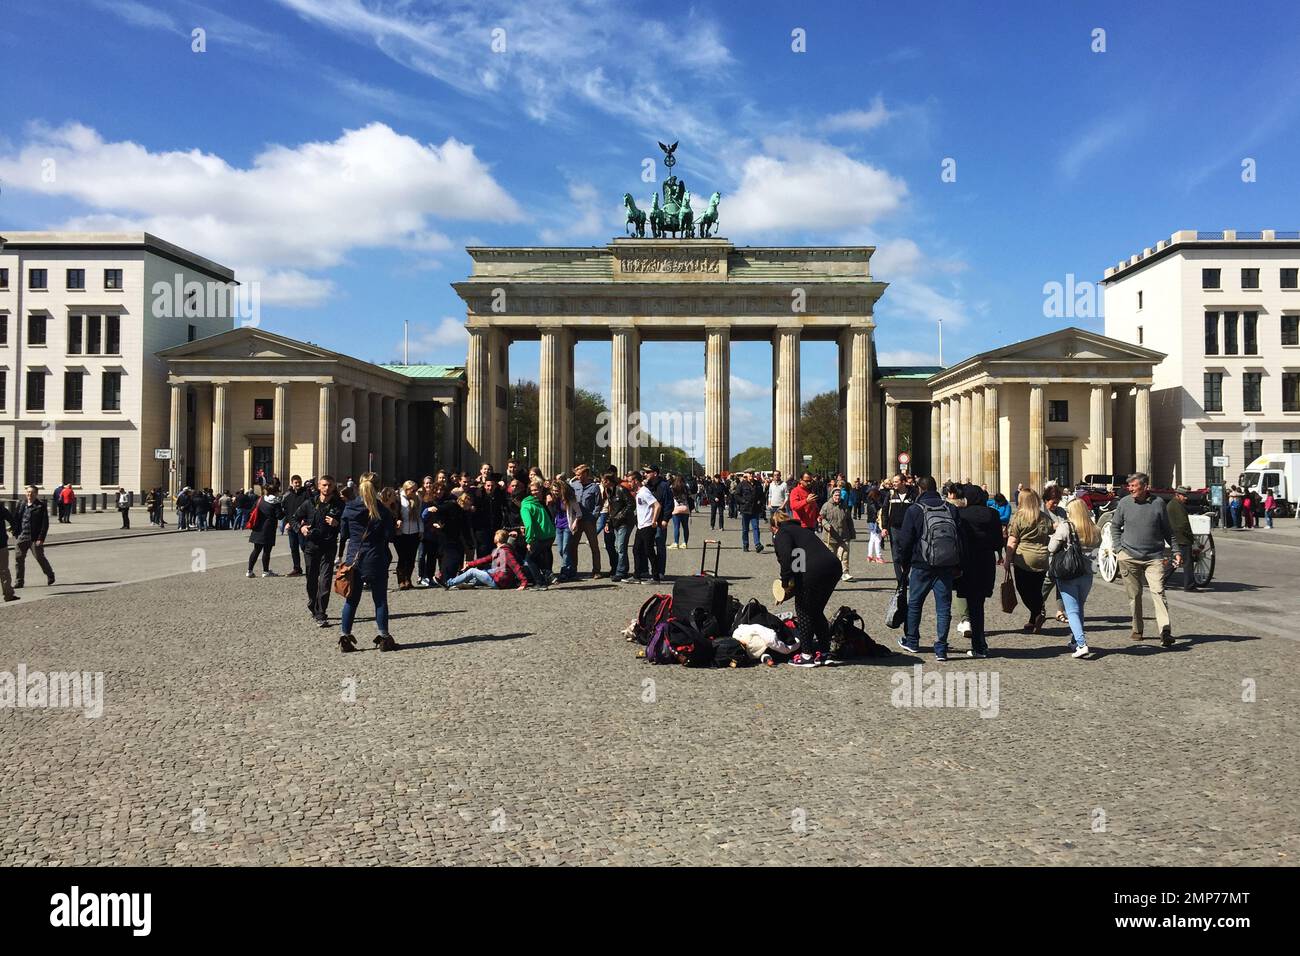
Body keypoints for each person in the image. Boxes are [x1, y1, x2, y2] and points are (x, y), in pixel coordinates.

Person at [893, 476, 963, 660]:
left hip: (921, 564)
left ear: (920, 490)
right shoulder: (951, 509)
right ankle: (941, 648)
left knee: (915, 603)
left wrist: (903, 561)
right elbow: (959, 539)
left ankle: (912, 641)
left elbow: (906, 540)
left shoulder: (914, 510)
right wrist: (957, 563)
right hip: (946, 564)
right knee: (944, 607)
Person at [337, 472, 399, 653]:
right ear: (378, 488)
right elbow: (389, 537)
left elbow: (344, 533)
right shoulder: (383, 511)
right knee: (380, 601)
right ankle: (384, 637)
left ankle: (345, 637)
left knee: (351, 600)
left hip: (354, 559)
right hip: (376, 558)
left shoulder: (349, 508)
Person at [771, 510, 842, 667]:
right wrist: (789, 590)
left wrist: (784, 583)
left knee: (804, 611)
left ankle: (806, 655)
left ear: (774, 527)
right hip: (833, 567)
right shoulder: (801, 530)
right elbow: (798, 564)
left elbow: (786, 558)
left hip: (814, 570)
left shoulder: (783, 532)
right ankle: (824, 652)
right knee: (815, 611)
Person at [1112, 472, 1175, 646]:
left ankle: (1165, 631)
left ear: (1145, 487)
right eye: (1129, 486)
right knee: (1135, 595)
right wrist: (1119, 549)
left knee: (1158, 591)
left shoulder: (1158, 504)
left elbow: (1167, 531)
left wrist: (1176, 550)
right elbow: (1115, 527)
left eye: (1133, 486)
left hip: (1153, 557)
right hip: (1129, 556)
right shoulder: (1124, 503)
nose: (1130, 489)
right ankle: (1137, 629)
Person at [952, 482, 1001, 658]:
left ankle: (977, 645)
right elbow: (998, 542)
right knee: (978, 605)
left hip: (967, 562)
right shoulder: (993, 514)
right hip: (986, 563)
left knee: (969, 604)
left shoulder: (960, 514)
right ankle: (980, 644)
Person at [1049, 497, 1101, 658]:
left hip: (1069, 572)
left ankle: (1081, 643)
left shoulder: (1066, 526)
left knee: (1071, 611)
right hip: (1087, 574)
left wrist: (1054, 535)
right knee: (1079, 608)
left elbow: (1052, 548)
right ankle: (1074, 641)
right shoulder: (1095, 529)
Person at [296, 474, 344, 626]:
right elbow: (294, 517)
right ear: (318, 486)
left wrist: (337, 523)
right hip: (311, 546)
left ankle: (321, 612)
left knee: (325, 580)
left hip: (328, 547)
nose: (327, 488)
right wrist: (301, 527)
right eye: (324, 485)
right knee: (311, 580)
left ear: (334, 486)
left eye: (330, 485)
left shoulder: (339, 505)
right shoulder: (310, 503)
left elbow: (347, 526)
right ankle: (313, 604)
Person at [1005, 487, 1054, 632]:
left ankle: (1038, 611)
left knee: (1023, 589)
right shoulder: (1044, 517)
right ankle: (1033, 620)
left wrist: (1007, 560)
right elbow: (1053, 530)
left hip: (1024, 559)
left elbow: (1013, 541)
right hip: (1043, 558)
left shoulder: (1019, 517)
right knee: (1036, 589)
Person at [447, 529, 529, 590]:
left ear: (497, 539)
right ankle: (466, 583)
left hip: (500, 582)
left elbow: (515, 566)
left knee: (472, 571)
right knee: (486, 571)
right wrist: (470, 563)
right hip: (503, 579)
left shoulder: (504, 552)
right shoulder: (504, 549)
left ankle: (449, 583)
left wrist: (523, 582)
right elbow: (486, 559)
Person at [13, 486, 56, 589]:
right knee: (18, 559)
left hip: (34, 538)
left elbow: (44, 524)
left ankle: (50, 574)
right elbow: (16, 519)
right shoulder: (21, 504)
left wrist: (41, 538)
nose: (29, 494)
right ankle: (19, 581)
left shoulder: (40, 506)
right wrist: (15, 532)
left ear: (36, 494)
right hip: (22, 536)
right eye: (28, 492)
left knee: (40, 558)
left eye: (32, 492)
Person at [520, 477, 556, 586]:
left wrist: (529, 541)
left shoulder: (525, 506)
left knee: (529, 559)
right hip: (550, 535)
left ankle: (540, 583)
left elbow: (529, 525)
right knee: (537, 556)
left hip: (542, 536)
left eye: (536, 490)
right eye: (532, 491)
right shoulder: (537, 503)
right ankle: (548, 575)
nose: (534, 493)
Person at [568, 464, 603, 577]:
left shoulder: (594, 487)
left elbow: (598, 504)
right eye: (576, 475)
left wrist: (594, 516)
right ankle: (573, 570)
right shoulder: (573, 486)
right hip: (577, 521)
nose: (577, 477)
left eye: (579, 475)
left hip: (589, 520)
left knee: (594, 546)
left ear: (586, 474)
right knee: (573, 546)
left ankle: (596, 570)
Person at [245, 482, 283, 578]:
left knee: (256, 550)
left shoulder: (260, 499)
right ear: (275, 492)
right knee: (266, 551)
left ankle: (249, 571)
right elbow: (279, 516)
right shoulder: (276, 502)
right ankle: (265, 571)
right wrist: (284, 511)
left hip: (258, 527)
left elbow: (252, 510)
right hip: (269, 528)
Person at [820, 485, 856, 582]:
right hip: (830, 536)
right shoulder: (826, 505)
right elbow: (821, 518)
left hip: (843, 536)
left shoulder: (844, 506)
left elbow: (849, 520)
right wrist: (826, 525)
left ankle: (845, 573)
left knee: (844, 555)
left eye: (839, 495)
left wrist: (852, 533)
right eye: (836, 495)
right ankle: (830, 574)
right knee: (831, 558)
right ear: (832, 496)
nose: (837, 497)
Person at [606, 469, 636, 582]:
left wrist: (620, 516)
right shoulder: (609, 491)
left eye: (604, 480)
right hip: (615, 522)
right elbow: (611, 508)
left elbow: (631, 504)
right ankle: (623, 569)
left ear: (609, 481)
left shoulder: (621, 489)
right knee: (618, 546)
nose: (602, 482)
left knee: (621, 546)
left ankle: (621, 572)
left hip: (625, 522)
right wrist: (608, 521)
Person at [632, 470, 661, 584]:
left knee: (649, 551)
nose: (629, 484)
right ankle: (636, 575)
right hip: (641, 525)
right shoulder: (639, 492)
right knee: (636, 550)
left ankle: (655, 577)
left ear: (635, 481)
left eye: (630, 481)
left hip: (648, 525)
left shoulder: (644, 492)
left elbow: (657, 505)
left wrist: (654, 520)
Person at [393, 480, 423, 590]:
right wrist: (396, 522)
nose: (415, 492)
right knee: (402, 557)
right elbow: (394, 513)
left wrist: (421, 530)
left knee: (411, 558)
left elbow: (419, 515)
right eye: (413, 490)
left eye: (416, 490)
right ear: (406, 489)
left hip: (414, 531)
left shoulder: (417, 498)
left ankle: (408, 579)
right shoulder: (398, 499)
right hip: (401, 532)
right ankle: (401, 580)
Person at [1167, 486, 1197, 592]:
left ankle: (1161, 579)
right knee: (1187, 562)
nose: (1186, 498)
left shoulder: (1175, 504)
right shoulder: (1176, 505)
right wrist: (1190, 536)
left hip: (1179, 537)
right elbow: (1182, 524)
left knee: (1176, 560)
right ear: (1177, 495)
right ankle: (1189, 585)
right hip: (1181, 537)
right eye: (1184, 495)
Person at [280, 476, 308, 576]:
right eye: (296, 482)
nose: (298, 484)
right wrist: (287, 522)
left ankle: (310, 567)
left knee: (305, 547)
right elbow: (287, 512)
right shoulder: (288, 497)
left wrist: (305, 521)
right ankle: (297, 568)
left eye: (299, 482)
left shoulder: (306, 494)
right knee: (293, 548)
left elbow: (309, 509)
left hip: (302, 525)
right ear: (292, 483)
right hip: (292, 526)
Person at [734, 470, 764, 553]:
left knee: (756, 528)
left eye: (752, 473)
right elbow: (736, 495)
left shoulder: (758, 484)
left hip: (755, 509)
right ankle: (745, 544)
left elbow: (762, 495)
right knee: (745, 529)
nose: (751, 475)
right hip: (745, 509)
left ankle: (757, 544)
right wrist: (743, 501)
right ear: (746, 475)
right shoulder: (742, 484)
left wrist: (761, 502)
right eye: (749, 473)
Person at [0, 498, 20, 601]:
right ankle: (8, 595)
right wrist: (13, 529)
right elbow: (11, 519)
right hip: (1, 544)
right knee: (3, 571)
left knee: (4, 570)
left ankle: (8, 594)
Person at [668, 476, 691, 549]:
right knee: (685, 527)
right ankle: (685, 543)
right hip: (685, 508)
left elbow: (670, 497)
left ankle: (676, 543)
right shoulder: (686, 487)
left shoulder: (673, 487)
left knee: (676, 527)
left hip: (676, 508)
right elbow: (689, 496)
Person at [863, 489, 884, 563]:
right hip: (875, 521)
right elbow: (876, 511)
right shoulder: (874, 503)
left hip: (871, 521)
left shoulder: (869, 502)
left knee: (872, 539)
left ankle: (870, 555)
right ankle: (879, 556)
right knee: (878, 539)